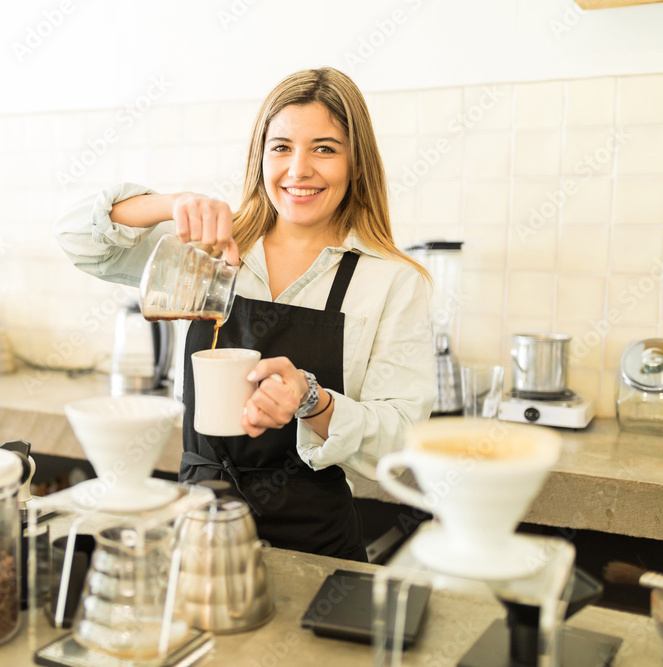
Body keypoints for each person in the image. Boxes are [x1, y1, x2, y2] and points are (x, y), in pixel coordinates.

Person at [54, 67, 435, 561]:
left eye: (324, 148)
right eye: (281, 148)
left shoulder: (391, 282)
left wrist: (311, 400)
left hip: (316, 547)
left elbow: (401, 437)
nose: (298, 170)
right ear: (260, 159)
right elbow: (76, 240)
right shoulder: (208, 248)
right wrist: (169, 204)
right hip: (198, 530)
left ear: (356, 164)